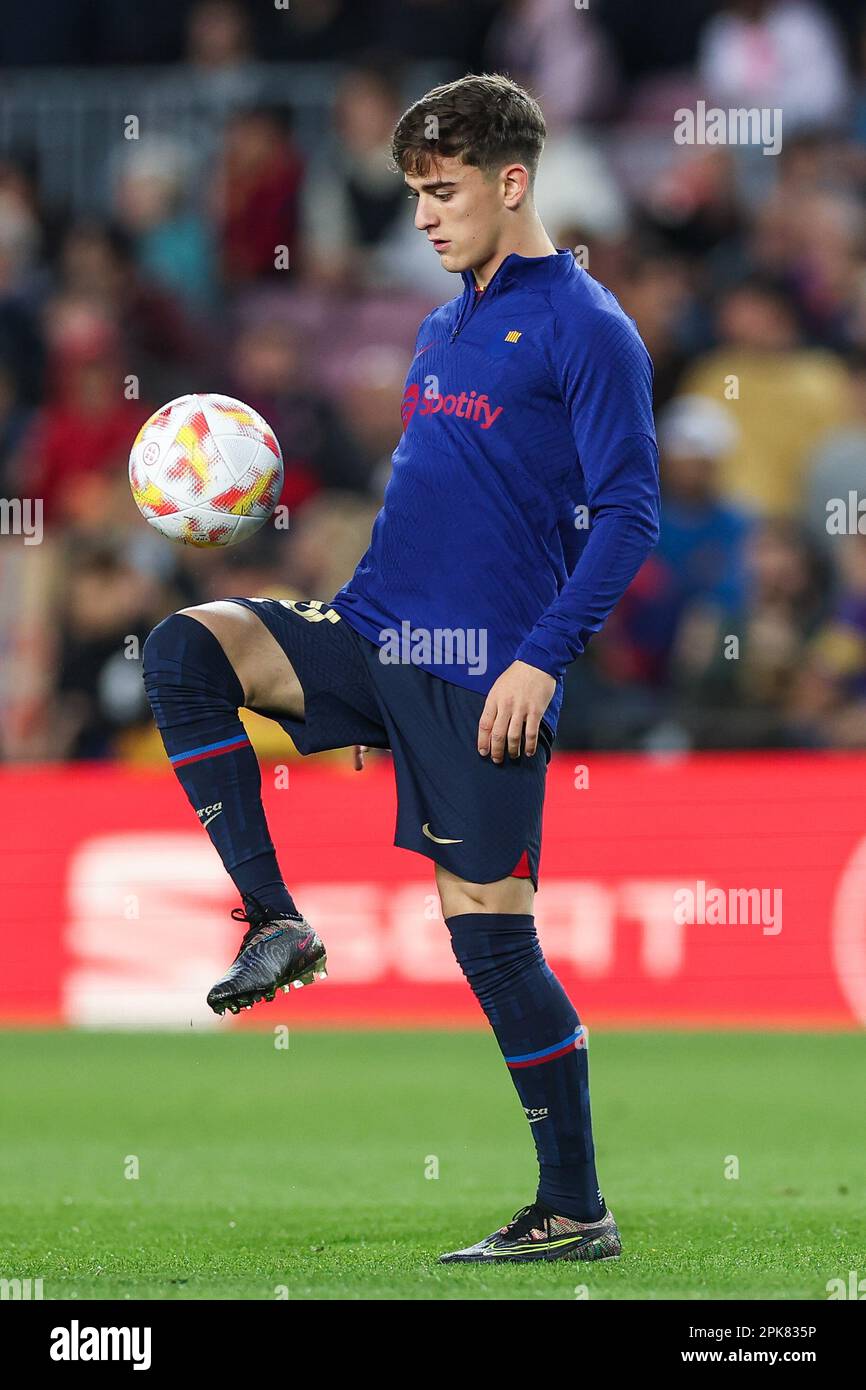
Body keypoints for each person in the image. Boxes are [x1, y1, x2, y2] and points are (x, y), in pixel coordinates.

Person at [142, 73, 659, 1264]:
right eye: (414, 193)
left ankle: (573, 1208)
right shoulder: (440, 324)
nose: (423, 216)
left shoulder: (588, 328)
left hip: (484, 675)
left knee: (490, 941)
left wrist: (541, 661)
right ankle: (273, 920)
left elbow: (627, 515)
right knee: (185, 649)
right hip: (373, 630)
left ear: (511, 182)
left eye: (443, 191)